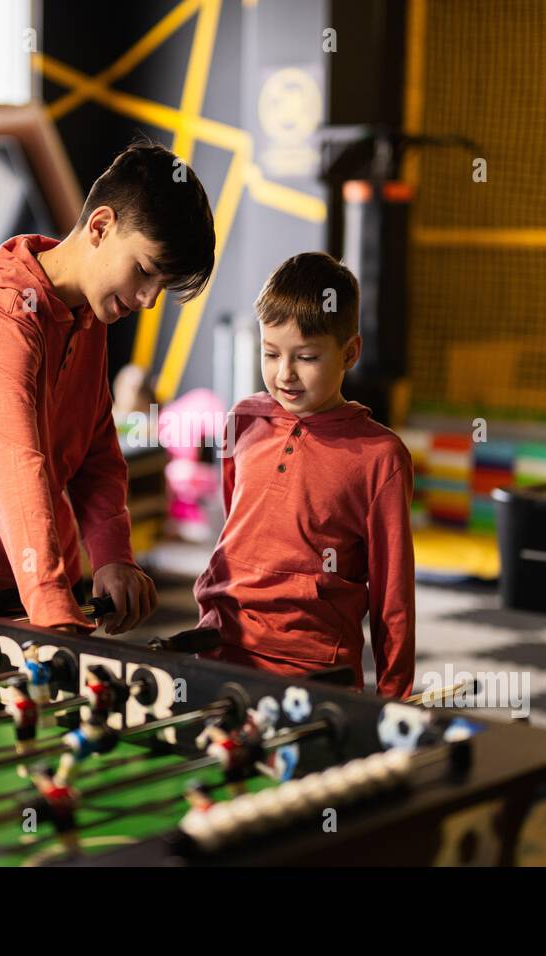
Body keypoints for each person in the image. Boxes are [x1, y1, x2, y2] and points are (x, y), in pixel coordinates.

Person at [0, 143, 215, 635]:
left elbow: (96, 449)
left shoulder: (87, 313)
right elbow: (16, 468)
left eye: (162, 286)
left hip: (45, 571)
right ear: (101, 227)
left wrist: (112, 556)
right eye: (146, 271)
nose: (149, 300)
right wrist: (50, 604)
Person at [193, 252, 415, 698]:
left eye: (307, 357)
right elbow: (236, 527)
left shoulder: (380, 457)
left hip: (313, 668)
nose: (284, 374)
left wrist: (394, 698)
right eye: (270, 353)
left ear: (350, 352)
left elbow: (393, 595)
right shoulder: (243, 420)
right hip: (220, 641)